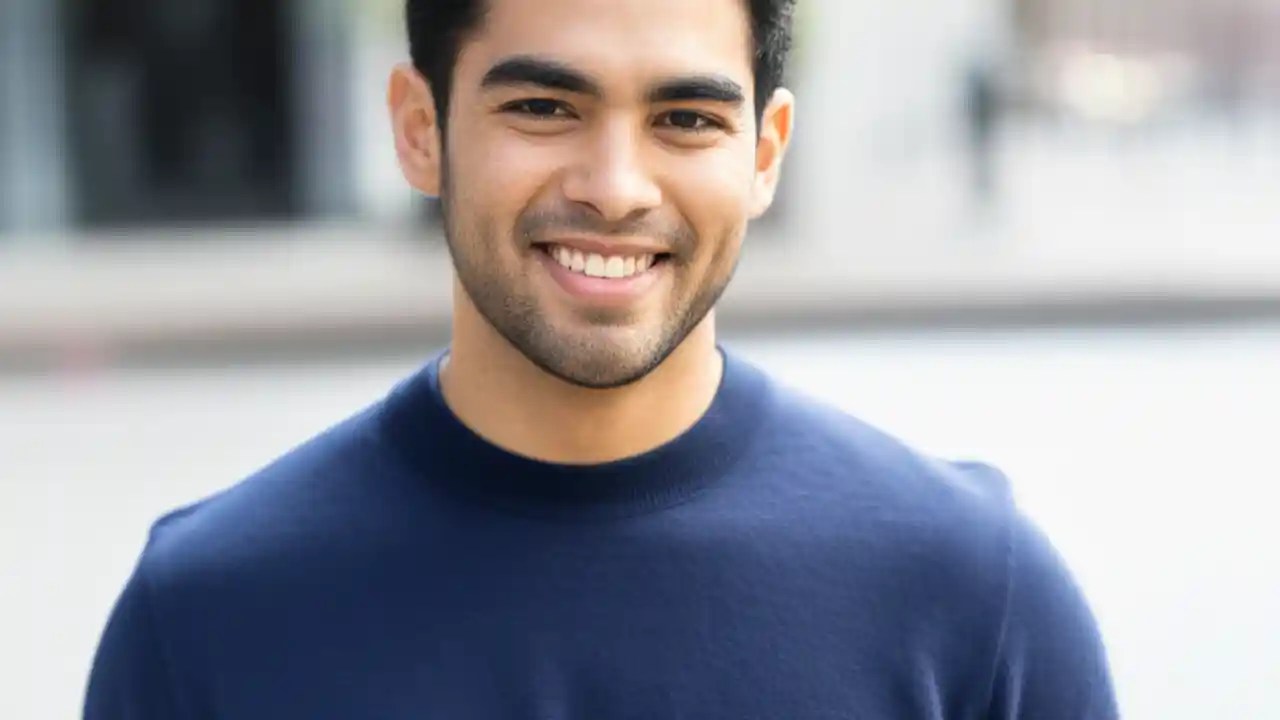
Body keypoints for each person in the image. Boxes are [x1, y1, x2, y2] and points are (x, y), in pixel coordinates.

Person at [84, 0, 1118, 717]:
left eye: (683, 119)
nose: (616, 186)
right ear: (418, 128)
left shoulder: (972, 597)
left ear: (762, 153)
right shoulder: (211, 614)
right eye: (542, 107)